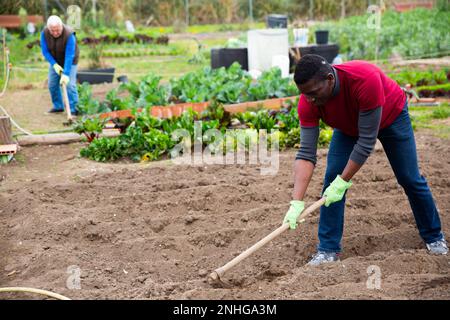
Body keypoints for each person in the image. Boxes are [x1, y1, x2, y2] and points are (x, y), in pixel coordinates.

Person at [283, 54, 448, 266]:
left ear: (330, 79)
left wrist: (342, 183)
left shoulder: (364, 79)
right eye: (305, 95)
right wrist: (296, 202)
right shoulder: (308, 101)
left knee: (409, 178)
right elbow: (306, 153)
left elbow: (366, 142)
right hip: (348, 127)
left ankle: (434, 236)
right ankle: (328, 250)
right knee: (331, 181)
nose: (310, 100)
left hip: (391, 117)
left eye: (314, 93)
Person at [40, 15, 79, 115]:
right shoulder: (44, 33)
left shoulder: (69, 34)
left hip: (70, 61)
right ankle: (58, 106)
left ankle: (74, 109)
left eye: (57, 30)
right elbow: (45, 52)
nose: (55, 33)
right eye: (52, 30)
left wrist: (66, 74)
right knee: (52, 84)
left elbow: (69, 55)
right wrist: (54, 65)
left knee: (70, 85)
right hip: (55, 61)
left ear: (61, 26)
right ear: (49, 29)